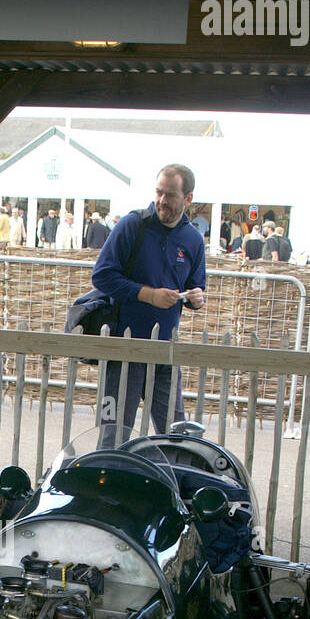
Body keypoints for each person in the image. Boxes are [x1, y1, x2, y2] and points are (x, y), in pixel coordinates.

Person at [90, 164, 205, 447]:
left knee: (175, 438)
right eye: (159, 193)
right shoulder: (132, 225)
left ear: (188, 198)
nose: (162, 201)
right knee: (113, 437)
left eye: (171, 195)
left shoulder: (193, 239)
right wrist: (147, 294)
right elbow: (102, 275)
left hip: (165, 351)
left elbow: (195, 285)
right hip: (124, 348)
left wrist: (196, 298)